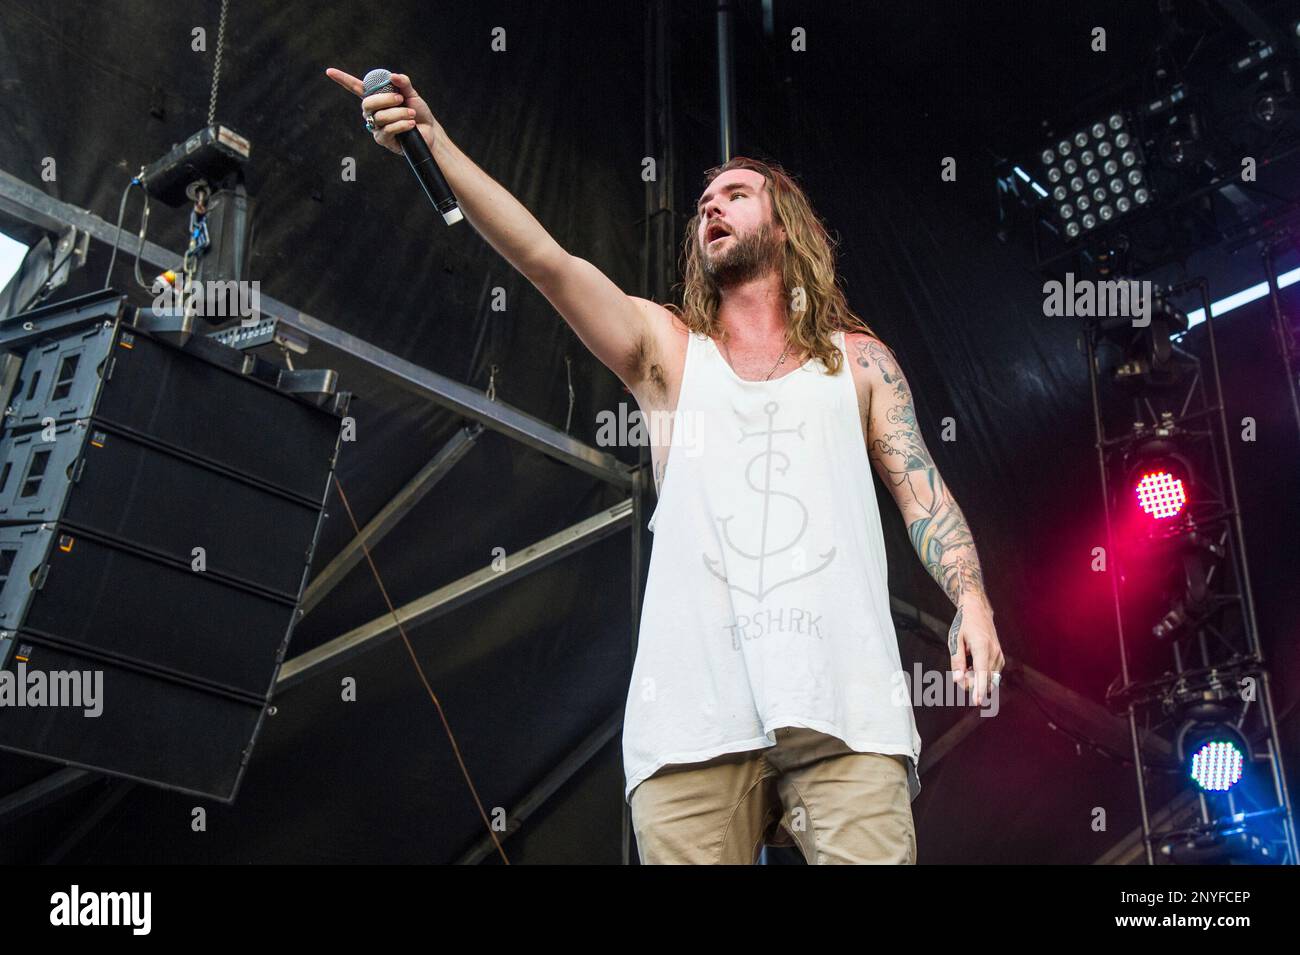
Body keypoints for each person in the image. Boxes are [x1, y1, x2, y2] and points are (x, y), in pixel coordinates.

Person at [326, 68, 1005, 864]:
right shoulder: (670, 354)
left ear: (785, 226)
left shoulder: (859, 362)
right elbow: (547, 260)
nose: (711, 205)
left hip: (848, 705)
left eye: (736, 195)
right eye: (704, 203)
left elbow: (922, 489)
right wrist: (436, 144)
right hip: (691, 720)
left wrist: (973, 598)